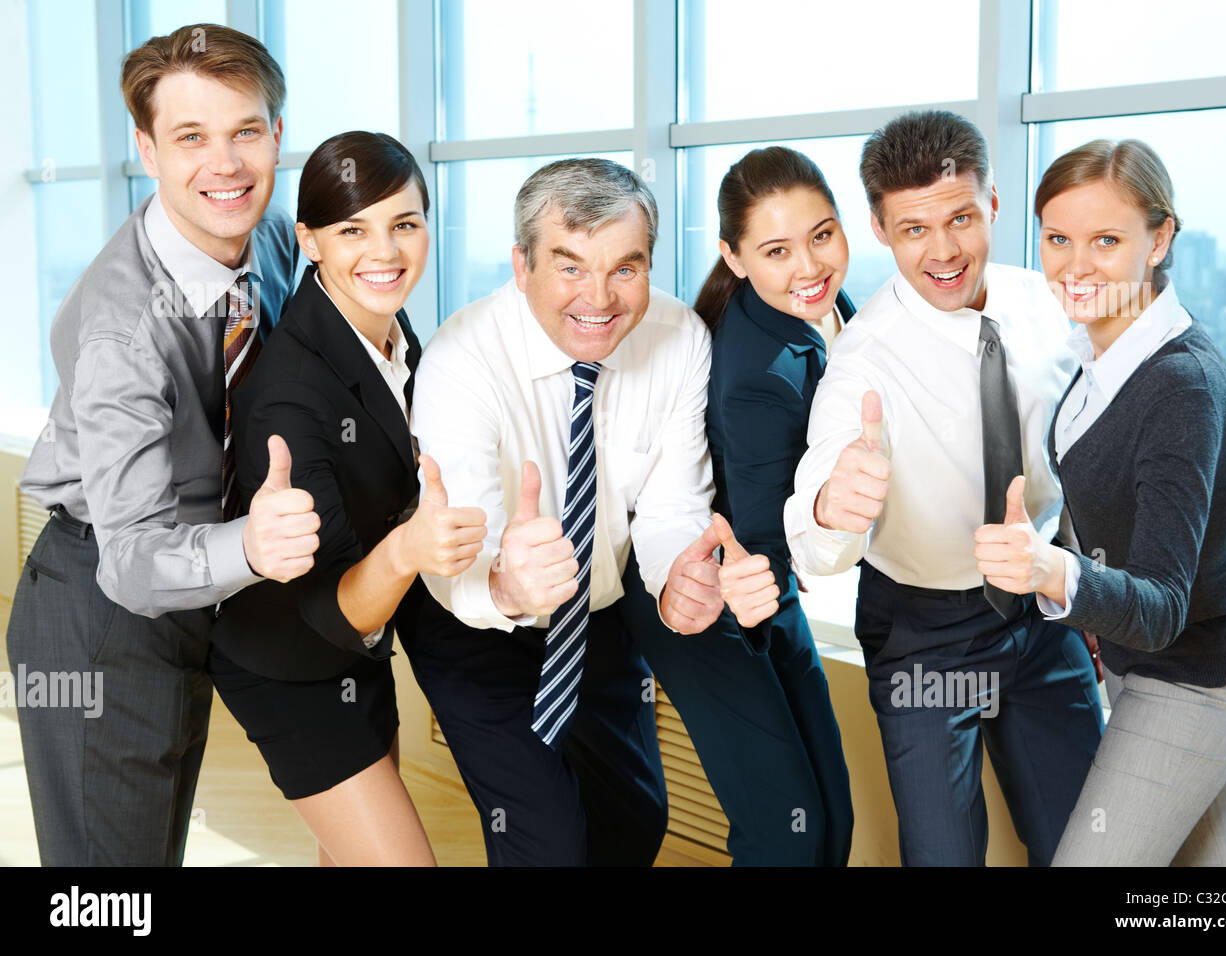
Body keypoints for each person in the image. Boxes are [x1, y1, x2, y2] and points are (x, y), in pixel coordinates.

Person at [403, 157, 809, 866]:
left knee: (636, 819)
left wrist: (678, 570)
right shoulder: (460, 360)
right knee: (547, 843)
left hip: (595, 613)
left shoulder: (678, 337)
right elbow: (462, 550)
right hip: (475, 622)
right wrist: (505, 582)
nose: (600, 297)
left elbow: (670, 507)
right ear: (520, 266)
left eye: (627, 267)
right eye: (569, 267)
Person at [6, 24, 316, 867]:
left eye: (245, 131)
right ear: (147, 149)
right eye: (190, 138)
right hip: (102, 602)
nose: (225, 164)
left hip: (205, 583)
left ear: (276, 135)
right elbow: (135, 561)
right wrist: (254, 542)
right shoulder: (121, 330)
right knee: (110, 891)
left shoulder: (278, 242)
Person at [785, 110, 1104, 866]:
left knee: (1091, 845)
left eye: (960, 218)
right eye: (914, 230)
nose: (944, 251)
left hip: (1039, 611)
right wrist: (834, 506)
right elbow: (816, 534)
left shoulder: (1048, 306)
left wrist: (1085, 584)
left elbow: (1086, 452)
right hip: (927, 633)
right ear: (880, 229)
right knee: (943, 854)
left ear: (992, 201)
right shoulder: (863, 362)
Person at [974, 138, 1226, 865]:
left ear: (1160, 237)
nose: (1074, 265)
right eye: (1057, 239)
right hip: (1152, 665)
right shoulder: (1097, 354)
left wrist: (1053, 573)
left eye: (1105, 240)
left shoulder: (1180, 385)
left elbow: (1164, 604)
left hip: (1201, 676)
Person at [209, 131, 484, 866]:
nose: (385, 252)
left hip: (358, 655)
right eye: (352, 230)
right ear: (310, 242)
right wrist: (408, 547)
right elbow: (329, 608)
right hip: (291, 659)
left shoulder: (390, 335)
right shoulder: (293, 395)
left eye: (405, 224)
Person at [693, 146, 856, 866]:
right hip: (729, 603)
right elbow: (761, 539)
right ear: (734, 258)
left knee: (829, 821)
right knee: (788, 835)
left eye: (822, 236)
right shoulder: (755, 375)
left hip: (772, 591)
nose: (809, 267)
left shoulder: (828, 309)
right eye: (777, 250)